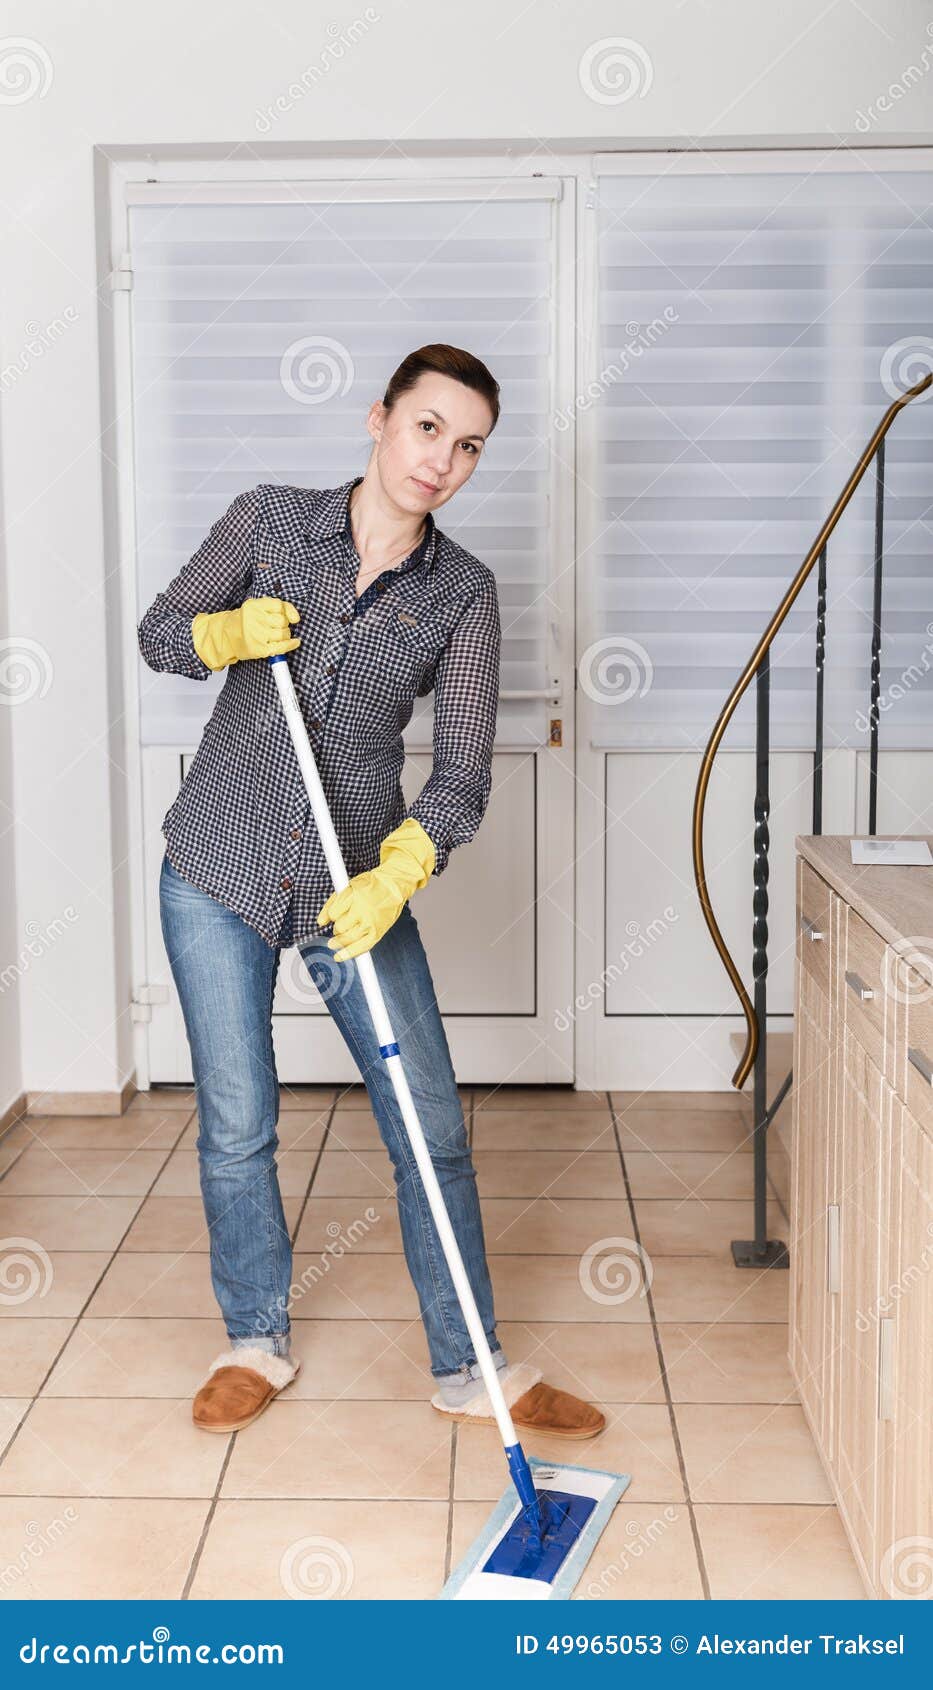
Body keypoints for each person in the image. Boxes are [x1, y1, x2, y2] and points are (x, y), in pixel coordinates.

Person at [138, 342, 603, 1442]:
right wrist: (222, 633)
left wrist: (402, 869)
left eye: (471, 446)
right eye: (430, 426)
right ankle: (254, 1338)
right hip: (218, 864)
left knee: (429, 1125)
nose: (443, 459)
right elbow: (161, 632)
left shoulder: (465, 595)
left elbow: (461, 777)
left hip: (355, 882)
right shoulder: (267, 523)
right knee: (239, 1123)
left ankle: (469, 1364)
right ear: (381, 418)